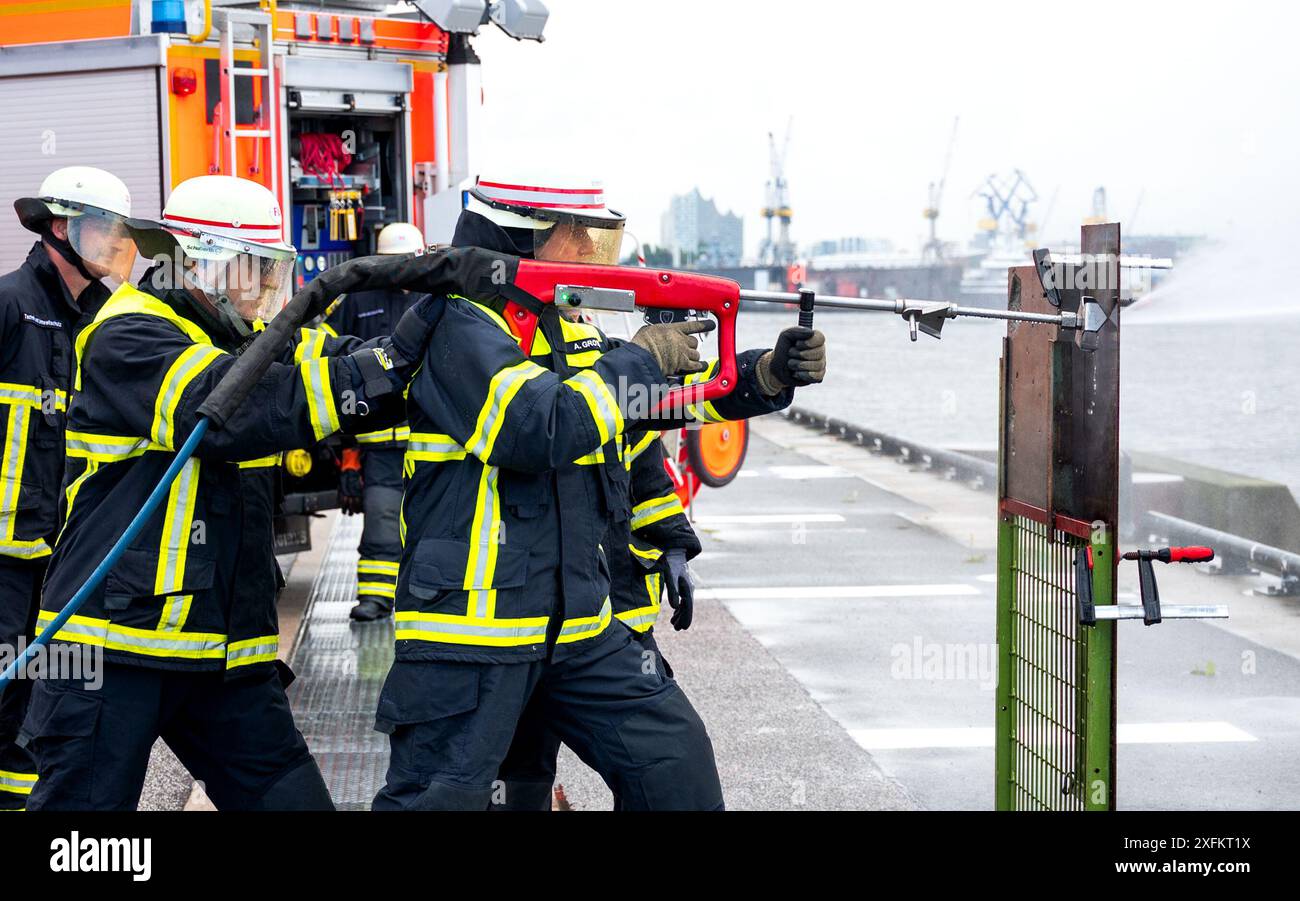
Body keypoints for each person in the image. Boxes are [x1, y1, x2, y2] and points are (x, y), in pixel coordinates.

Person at [372, 174, 825, 811]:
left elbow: (651, 410)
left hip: (580, 627)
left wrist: (765, 373)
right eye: (576, 233)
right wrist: (640, 357)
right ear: (521, 235)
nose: (591, 249)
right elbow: (537, 426)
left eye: (597, 233)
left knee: (674, 767)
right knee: (455, 799)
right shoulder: (459, 326)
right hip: (473, 637)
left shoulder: (569, 326)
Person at [19, 175, 433, 811]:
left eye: (273, 273)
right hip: (113, 647)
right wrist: (373, 370)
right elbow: (232, 411)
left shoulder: (245, 331)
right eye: (255, 271)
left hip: (224, 654)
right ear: (202, 262)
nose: (266, 290)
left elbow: (345, 360)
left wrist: (434, 340)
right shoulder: (130, 332)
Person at [0, 166, 135, 810]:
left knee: (47, 692)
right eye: (103, 229)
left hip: (62, 557)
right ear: (61, 228)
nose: (114, 244)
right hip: (3, 553)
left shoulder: (107, 323)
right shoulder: (6, 307)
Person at [321, 222, 429, 621]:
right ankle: (377, 598)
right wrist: (347, 455)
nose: (400, 269)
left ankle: (424, 598)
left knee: (432, 519)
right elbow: (332, 365)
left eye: (406, 261)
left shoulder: (439, 298)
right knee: (383, 518)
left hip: (431, 437)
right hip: (377, 440)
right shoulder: (357, 300)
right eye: (391, 262)